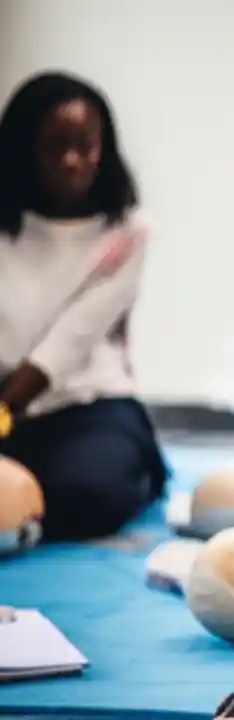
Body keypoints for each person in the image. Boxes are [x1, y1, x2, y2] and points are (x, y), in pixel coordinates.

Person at [0, 72, 168, 540]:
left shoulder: (128, 233)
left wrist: (3, 410)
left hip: (84, 404)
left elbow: (72, 337)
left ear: (103, 149)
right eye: (53, 146)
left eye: (84, 146)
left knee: (90, 492)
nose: (70, 161)